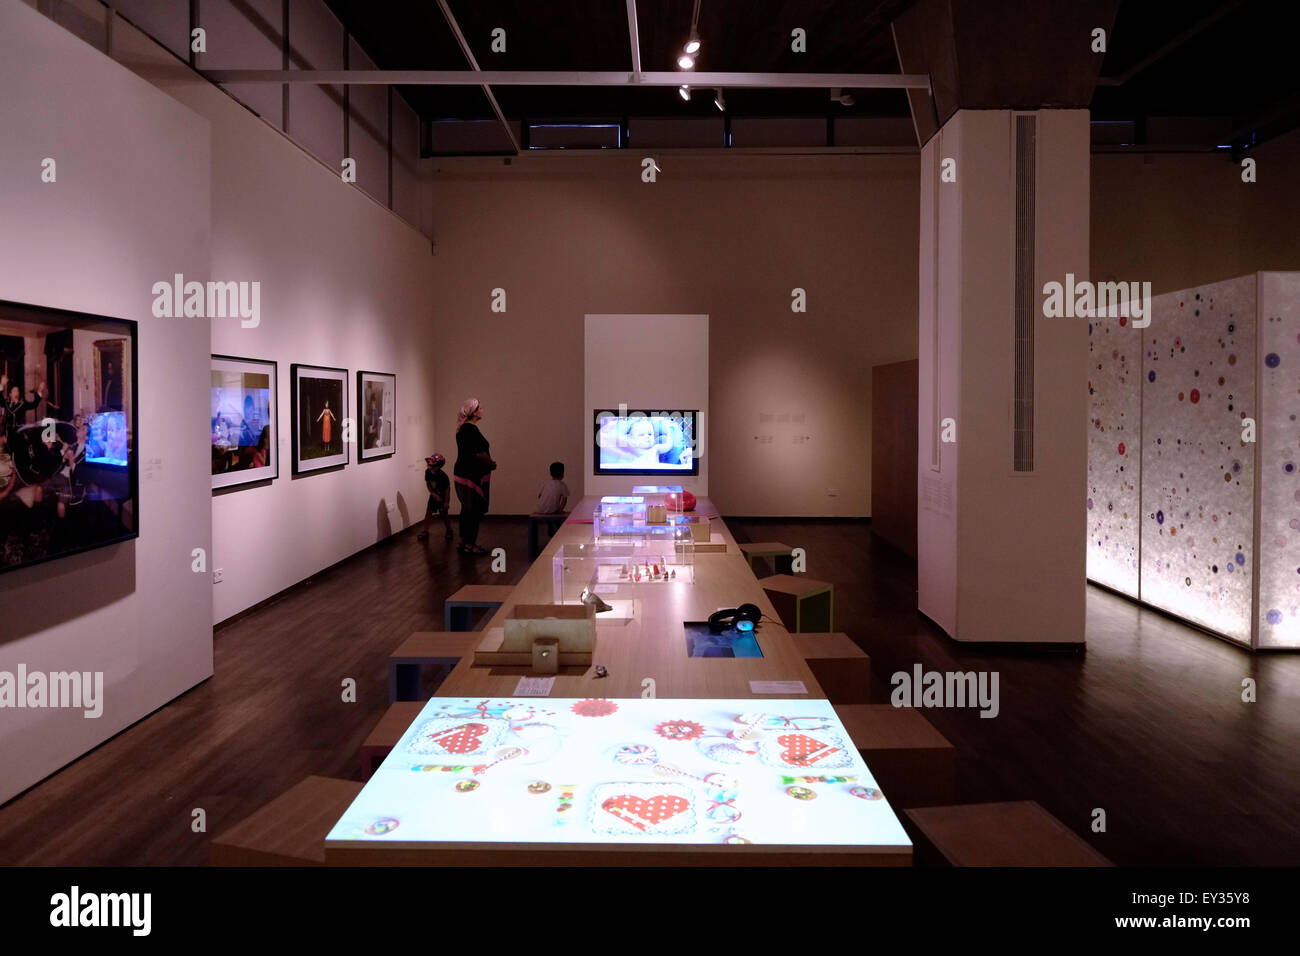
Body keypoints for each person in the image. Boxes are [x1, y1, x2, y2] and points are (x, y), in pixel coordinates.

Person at [453, 398, 495, 555]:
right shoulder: (471, 430)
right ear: (473, 412)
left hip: (463, 473)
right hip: (471, 475)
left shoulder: (463, 429)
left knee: (467, 509)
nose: (482, 409)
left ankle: (463, 541)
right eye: (480, 408)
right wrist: (491, 463)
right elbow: (478, 453)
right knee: (474, 511)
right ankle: (470, 544)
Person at [417, 453, 453, 541]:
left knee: (444, 514)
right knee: (428, 512)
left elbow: (447, 490)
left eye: (432, 465)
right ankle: (425, 531)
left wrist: (446, 502)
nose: (430, 466)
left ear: (438, 466)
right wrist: (433, 494)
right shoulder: (428, 472)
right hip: (434, 495)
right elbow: (428, 484)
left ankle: (449, 530)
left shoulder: (443, 477)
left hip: (443, 497)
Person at [536, 461, 569, 537]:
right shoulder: (562, 485)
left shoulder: (546, 484)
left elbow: (539, 496)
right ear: (562, 474)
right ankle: (557, 528)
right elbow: (564, 499)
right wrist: (560, 510)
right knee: (554, 512)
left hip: (540, 509)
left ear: (550, 473)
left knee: (548, 512)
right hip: (553, 510)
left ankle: (550, 525)